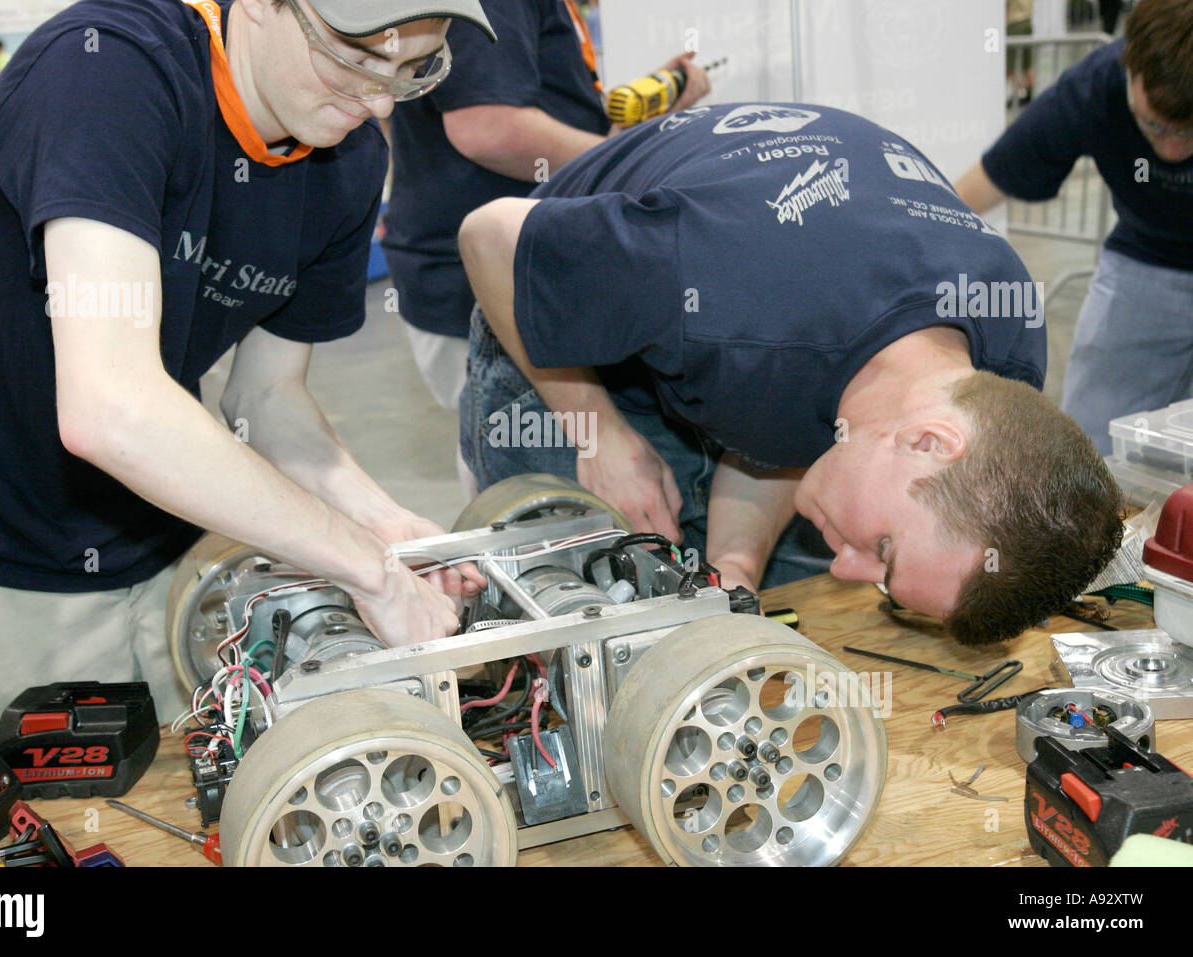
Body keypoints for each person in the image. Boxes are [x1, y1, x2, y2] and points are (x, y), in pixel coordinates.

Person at [0, 0, 495, 738]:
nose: (376, 101)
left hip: (166, 551)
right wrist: (363, 566)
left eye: (411, 71)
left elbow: (267, 398)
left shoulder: (346, 159)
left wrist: (385, 524)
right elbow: (110, 408)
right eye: (356, 56)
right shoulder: (108, 74)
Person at [457, 101, 1124, 646]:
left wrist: (737, 565)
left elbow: (779, 427)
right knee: (585, 634)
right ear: (928, 443)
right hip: (554, 317)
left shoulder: (999, 362)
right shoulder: (720, 282)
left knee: (731, 605)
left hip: (731, 330)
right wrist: (599, 436)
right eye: (883, 551)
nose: (847, 569)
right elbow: (489, 237)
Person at [383, 0, 708, 479]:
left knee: (540, 462)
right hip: (484, 282)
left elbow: (519, 112)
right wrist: (631, 166)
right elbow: (489, 128)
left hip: (513, 269)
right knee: (535, 475)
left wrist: (623, 132)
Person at [956, 0, 1193, 454]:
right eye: (1155, 126)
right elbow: (987, 180)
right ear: (1131, 69)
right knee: (1089, 441)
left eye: (1187, 131)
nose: (1172, 149)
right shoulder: (1094, 86)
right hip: (1145, 256)